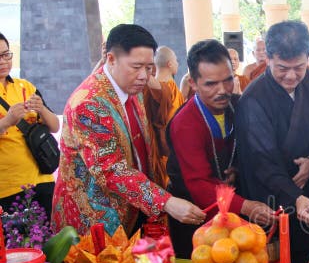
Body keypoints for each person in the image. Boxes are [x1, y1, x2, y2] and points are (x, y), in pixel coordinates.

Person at [53, 23, 205, 236]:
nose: (144, 75)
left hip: (136, 209)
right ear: (111, 59)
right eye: (136, 67)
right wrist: (166, 202)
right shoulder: (89, 103)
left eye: (148, 67)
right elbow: (111, 169)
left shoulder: (132, 89)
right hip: (96, 219)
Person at [236, 21, 309, 263]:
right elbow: (262, 161)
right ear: (267, 59)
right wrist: (296, 197)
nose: (291, 76)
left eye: (299, 67)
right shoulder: (254, 99)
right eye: (282, 68)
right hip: (273, 196)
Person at [167, 39, 274, 258]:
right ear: (193, 83)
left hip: (230, 209)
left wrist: (237, 167)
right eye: (211, 84)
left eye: (228, 80)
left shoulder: (237, 104)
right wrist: (246, 206)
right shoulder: (185, 123)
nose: (222, 90)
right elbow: (199, 184)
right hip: (196, 215)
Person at [0, 32, 60, 220]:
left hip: (42, 179)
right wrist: (7, 121)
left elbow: (55, 126)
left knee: (48, 245)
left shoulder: (25, 86)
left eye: (6, 55)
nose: (3, 61)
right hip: (8, 187)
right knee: (16, 246)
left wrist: (41, 109)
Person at [143, 46, 184, 187]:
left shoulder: (167, 86)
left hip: (169, 143)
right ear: (170, 64)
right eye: (176, 61)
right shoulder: (165, 89)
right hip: (165, 147)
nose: (178, 64)